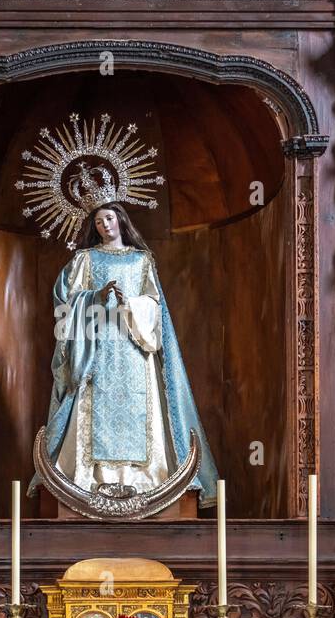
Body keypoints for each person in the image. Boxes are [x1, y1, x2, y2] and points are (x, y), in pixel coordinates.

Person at [32, 201, 218, 506]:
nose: (104, 225)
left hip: (135, 350)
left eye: (109, 218)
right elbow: (65, 301)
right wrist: (95, 296)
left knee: (142, 409)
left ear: (120, 219)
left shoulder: (142, 260)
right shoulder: (85, 259)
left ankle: (144, 481)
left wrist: (130, 303)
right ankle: (88, 481)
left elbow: (154, 306)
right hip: (96, 348)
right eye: (99, 222)